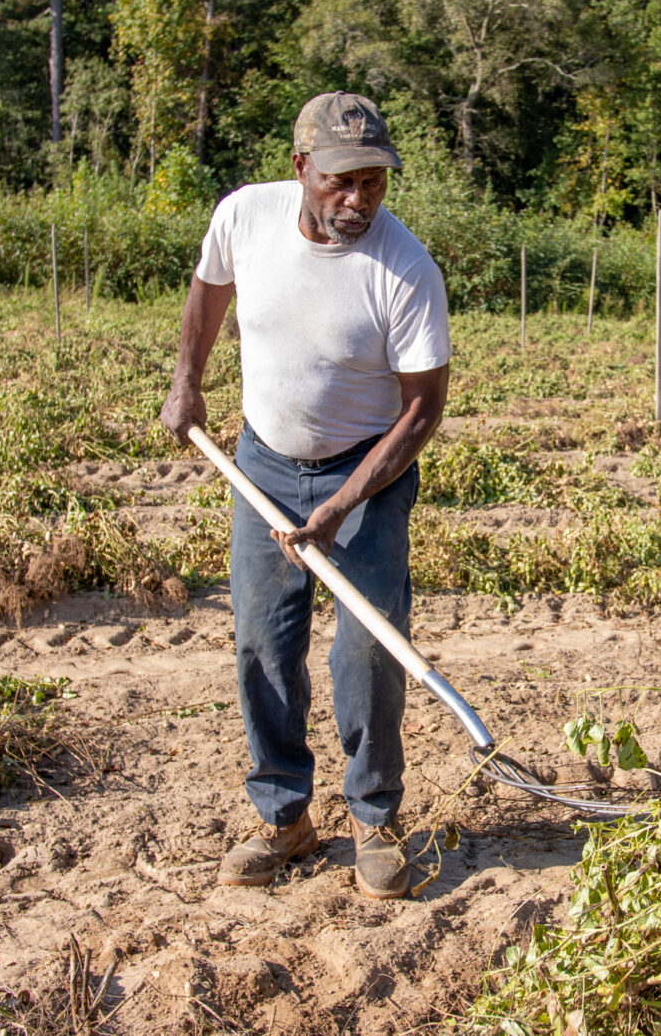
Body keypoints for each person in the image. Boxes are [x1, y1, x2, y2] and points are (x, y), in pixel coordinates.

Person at [159, 91, 450, 900]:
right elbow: (208, 289)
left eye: (374, 182)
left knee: (367, 646)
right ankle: (285, 817)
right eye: (341, 181)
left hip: (369, 471)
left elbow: (422, 411)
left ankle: (374, 818)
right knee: (262, 641)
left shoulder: (405, 269)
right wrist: (187, 382)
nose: (359, 199)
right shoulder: (246, 217)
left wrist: (340, 506)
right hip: (262, 462)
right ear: (301, 170)